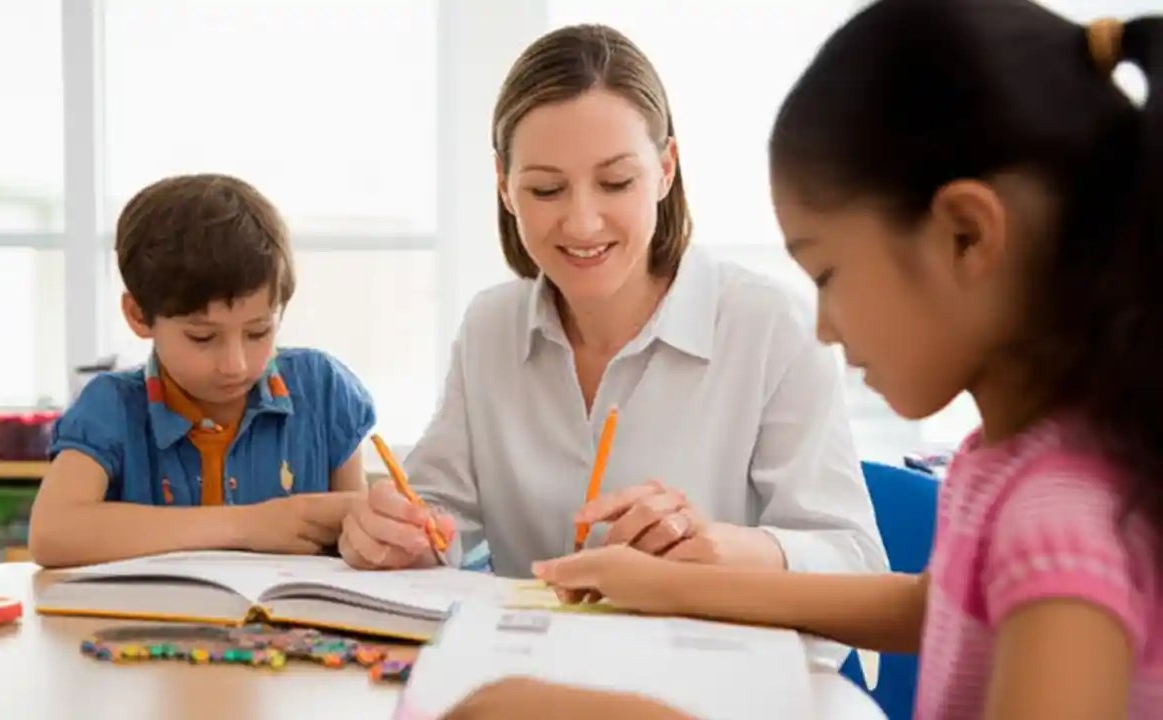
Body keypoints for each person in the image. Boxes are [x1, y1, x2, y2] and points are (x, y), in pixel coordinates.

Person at [450, 1, 1163, 718]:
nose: (822, 327)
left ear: (967, 237)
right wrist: (667, 582)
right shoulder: (1004, 465)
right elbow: (927, 604)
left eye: (827, 274)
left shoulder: (1059, 526)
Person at [340, 24, 883, 587]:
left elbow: (854, 558)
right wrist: (395, 532)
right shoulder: (490, 328)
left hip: (704, 668)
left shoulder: (770, 327)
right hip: (530, 667)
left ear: (665, 169)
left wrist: (720, 550)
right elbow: (440, 517)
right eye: (546, 190)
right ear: (504, 185)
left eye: (617, 182)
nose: (581, 222)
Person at [28, 173, 376, 568]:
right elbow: (52, 534)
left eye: (258, 332)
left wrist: (381, 536)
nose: (236, 365)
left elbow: (357, 549)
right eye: (202, 337)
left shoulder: (322, 390)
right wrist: (248, 525)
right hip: (147, 628)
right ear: (139, 316)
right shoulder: (111, 407)